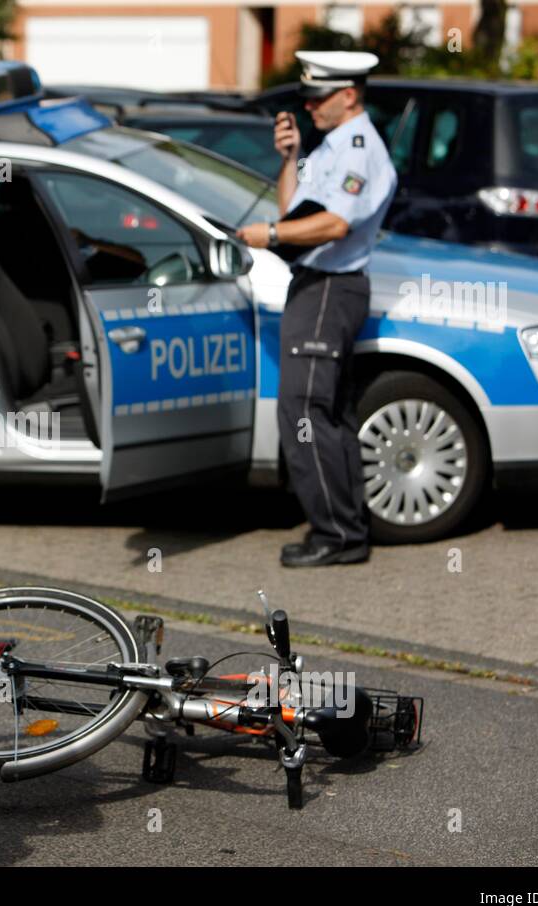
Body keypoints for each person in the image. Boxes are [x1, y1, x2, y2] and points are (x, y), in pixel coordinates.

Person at [235, 51, 397, 568]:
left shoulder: (357, 147)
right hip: (317, 283)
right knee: (326, 412)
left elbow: (332, 226)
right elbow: (297, 210)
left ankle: (337, 534)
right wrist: (290, 158)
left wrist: (272, 235)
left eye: (318, 96)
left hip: (331, 285)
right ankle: (344, 526)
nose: (310, 105)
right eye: (307, 97)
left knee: (304, 411)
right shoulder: (331, 146)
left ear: (348, 94)